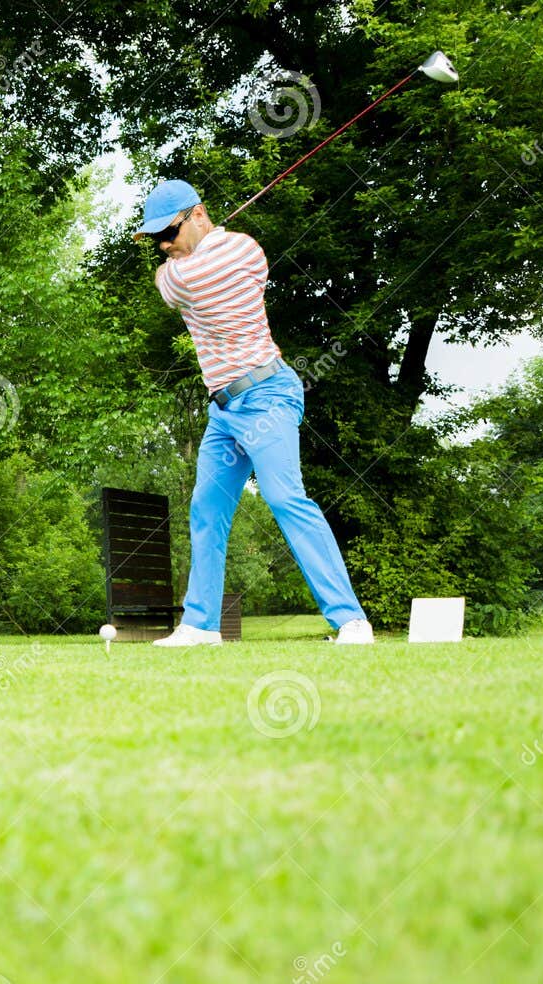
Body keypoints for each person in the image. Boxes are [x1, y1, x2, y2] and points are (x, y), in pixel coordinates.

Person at [135, 179, 373, 646]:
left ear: (198, 214)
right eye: (157, 238)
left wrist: (190, 251)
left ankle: (351, 621)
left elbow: (180, 278)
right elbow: (203, 260)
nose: (164, 245)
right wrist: (195, 242)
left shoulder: (187, 272)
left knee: (286, 499)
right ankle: (201, 625)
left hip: (266, 396)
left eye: (169, 232)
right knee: (206, 507)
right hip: (224, 408)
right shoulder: (241, 248)